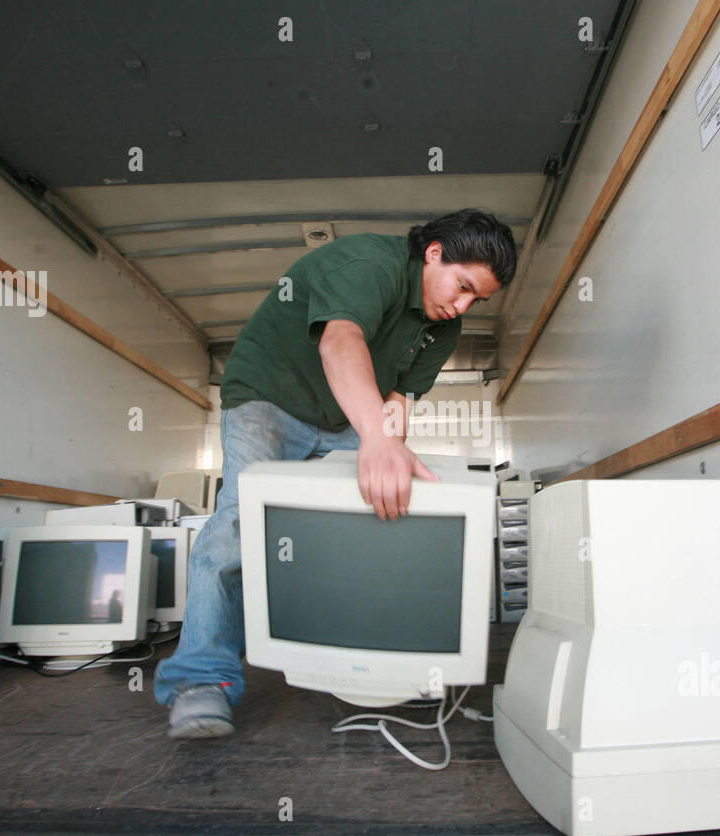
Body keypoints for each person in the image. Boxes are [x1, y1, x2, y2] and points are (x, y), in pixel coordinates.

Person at [154, 209, 517, 738]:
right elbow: (339, 341)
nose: (462, 307)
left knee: (376, 512)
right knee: (238, 525)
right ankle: (200, 682)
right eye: (462, 287)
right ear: (434, 252)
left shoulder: (444, 326)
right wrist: (374, 439)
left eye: (476, 300)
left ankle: (367, 658)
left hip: (344, 415)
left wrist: (387, 443)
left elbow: (399, 399)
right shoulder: (370, 261)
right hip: (268, 399)